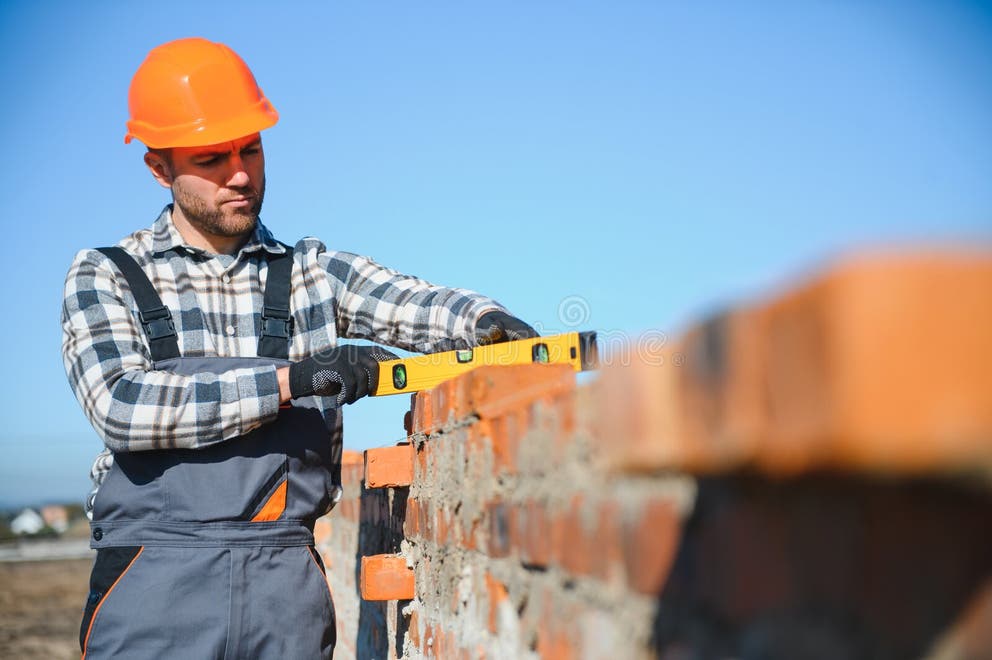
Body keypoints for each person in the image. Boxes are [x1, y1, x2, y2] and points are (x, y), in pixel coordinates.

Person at [61, 37, 537, 659]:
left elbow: (414, 303)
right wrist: (296, 380)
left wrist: (488, 322)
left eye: (251, 150)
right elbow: (120, 405)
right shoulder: (106, 274)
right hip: (153, 581)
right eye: (211, 158)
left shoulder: (311, 273)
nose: (240, 174)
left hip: (284, 586)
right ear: (158, 167)